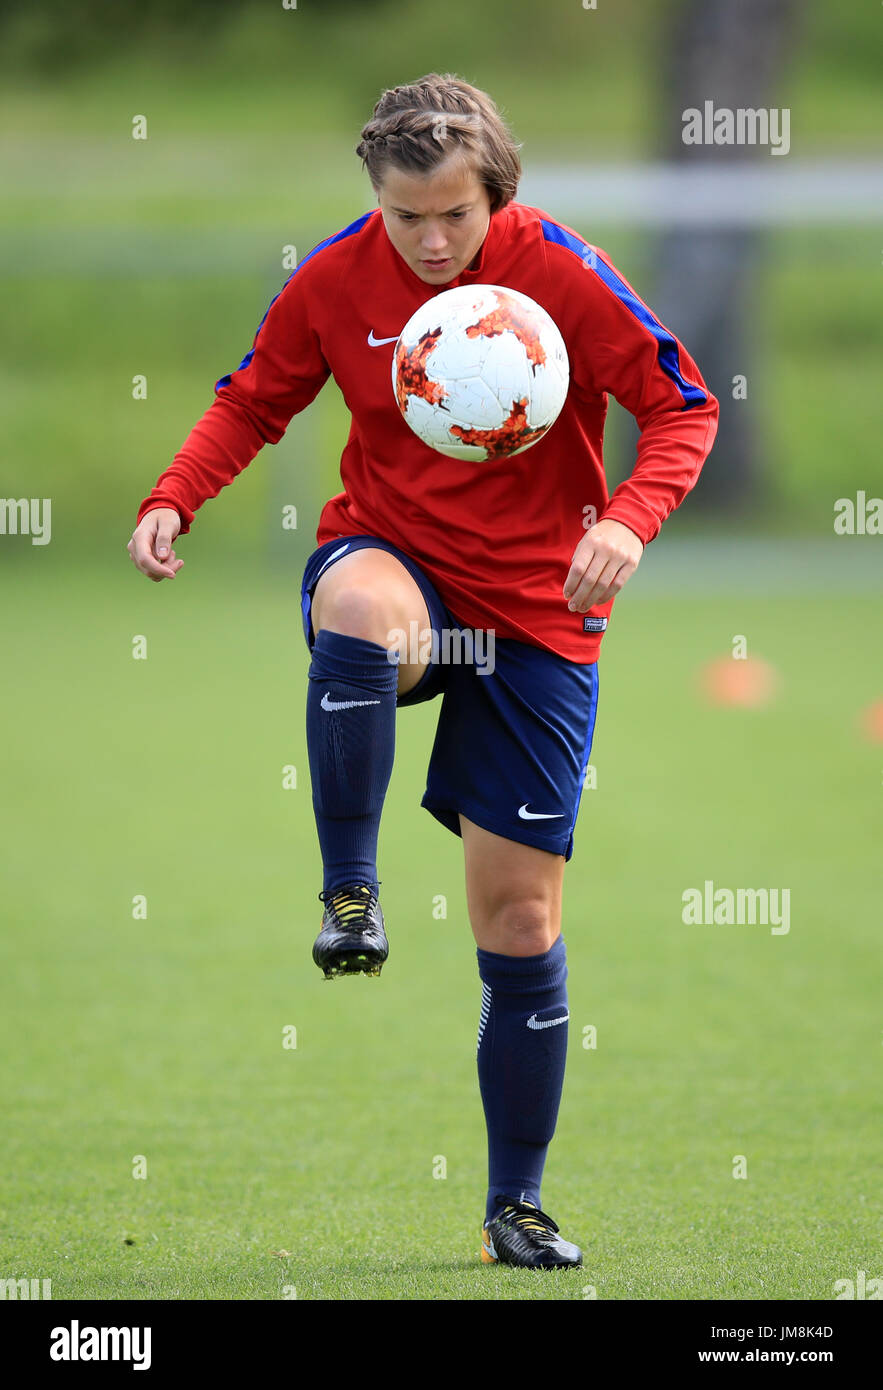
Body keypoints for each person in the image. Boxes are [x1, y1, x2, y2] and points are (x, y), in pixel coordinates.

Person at [128, 73, 719, 1270]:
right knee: (353, 603)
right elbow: (254, 400)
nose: (433, 240)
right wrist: (173, 496)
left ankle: (516, 1204)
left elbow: (681, 405)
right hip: (401, 561)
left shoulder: (561, 271)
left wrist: (629, 521)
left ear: (496, 192)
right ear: (377, 202)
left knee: (519, 917)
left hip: (540, 612)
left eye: (454, 213)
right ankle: (350, 893)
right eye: (408, 217)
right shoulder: (338, 276)